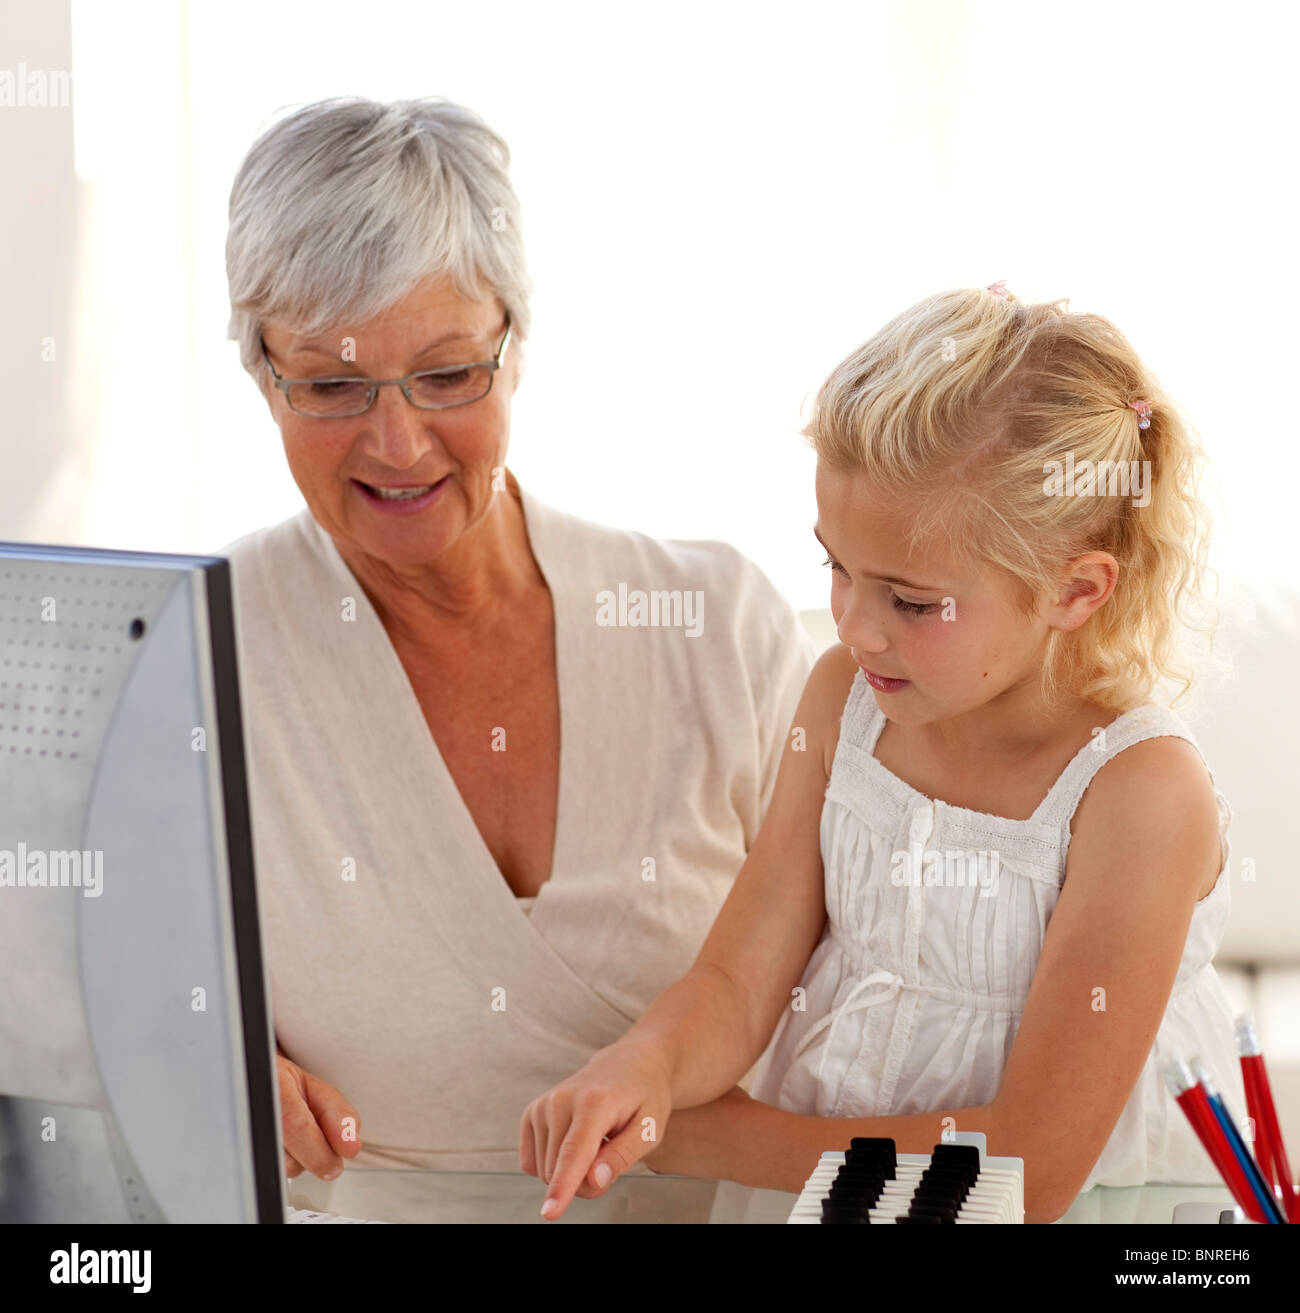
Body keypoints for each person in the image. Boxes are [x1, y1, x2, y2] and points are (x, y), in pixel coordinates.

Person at [521, 284, 1244, 1223]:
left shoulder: (1139, 793)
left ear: (1075, 589)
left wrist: (702, 1133)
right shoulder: (843, 702)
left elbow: (1031, 1166)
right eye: (835, 567)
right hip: (831, 1191)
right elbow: (739, 978)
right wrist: (646, 1064)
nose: (855, 626)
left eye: (910, 601)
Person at [218, 95, 816, 1178]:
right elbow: (88, 991)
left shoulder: (716, 624)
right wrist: (201, 1056)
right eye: (332, 384)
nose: (397, 443)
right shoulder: (197, 652)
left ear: (517, 344)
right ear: (262, 373)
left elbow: (870, 986)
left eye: (448, 374)